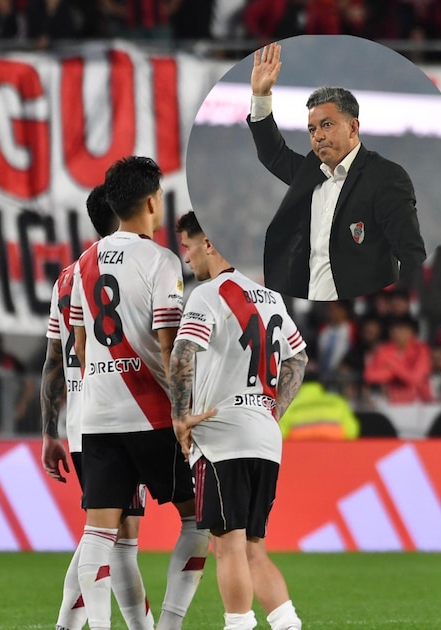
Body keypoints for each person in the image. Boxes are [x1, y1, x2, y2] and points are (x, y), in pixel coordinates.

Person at [69, 156, 209, 630]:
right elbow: (170, 346)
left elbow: (82, 348)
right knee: (199, 521)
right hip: (152, 415)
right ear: (152, 201)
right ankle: (167, 626)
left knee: (98, 533)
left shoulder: (83, 264)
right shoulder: (161, 260)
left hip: (98, 416)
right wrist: (183, 412)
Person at [170, 211, 308, 630]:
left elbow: (182, 355)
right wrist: (272, 410)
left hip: (221, 437)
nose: (186, 256)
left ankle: (238, 626)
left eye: (188, 246)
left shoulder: (208, 294)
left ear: (208, 242)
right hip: (265, 437)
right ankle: (288, 626)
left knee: (226, 546)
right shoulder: (269, 297)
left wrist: (180, 417)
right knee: (254, 547)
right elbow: (298, 358)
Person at [40, 184, 152, 630]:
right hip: (118, 416)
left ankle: (68, 627)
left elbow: (52, 358)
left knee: (107, 533)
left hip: (81, 421)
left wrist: (51, 430)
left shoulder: (68, 276)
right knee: (116, 539)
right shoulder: (134, 268)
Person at [247, 42, 426, 300]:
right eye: (312, 129)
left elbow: (411, 255)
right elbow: (272, 154)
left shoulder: (385, 177)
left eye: (326, 125)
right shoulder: (311, 172)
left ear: (353, 127)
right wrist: (261, 97)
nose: (318, 136)